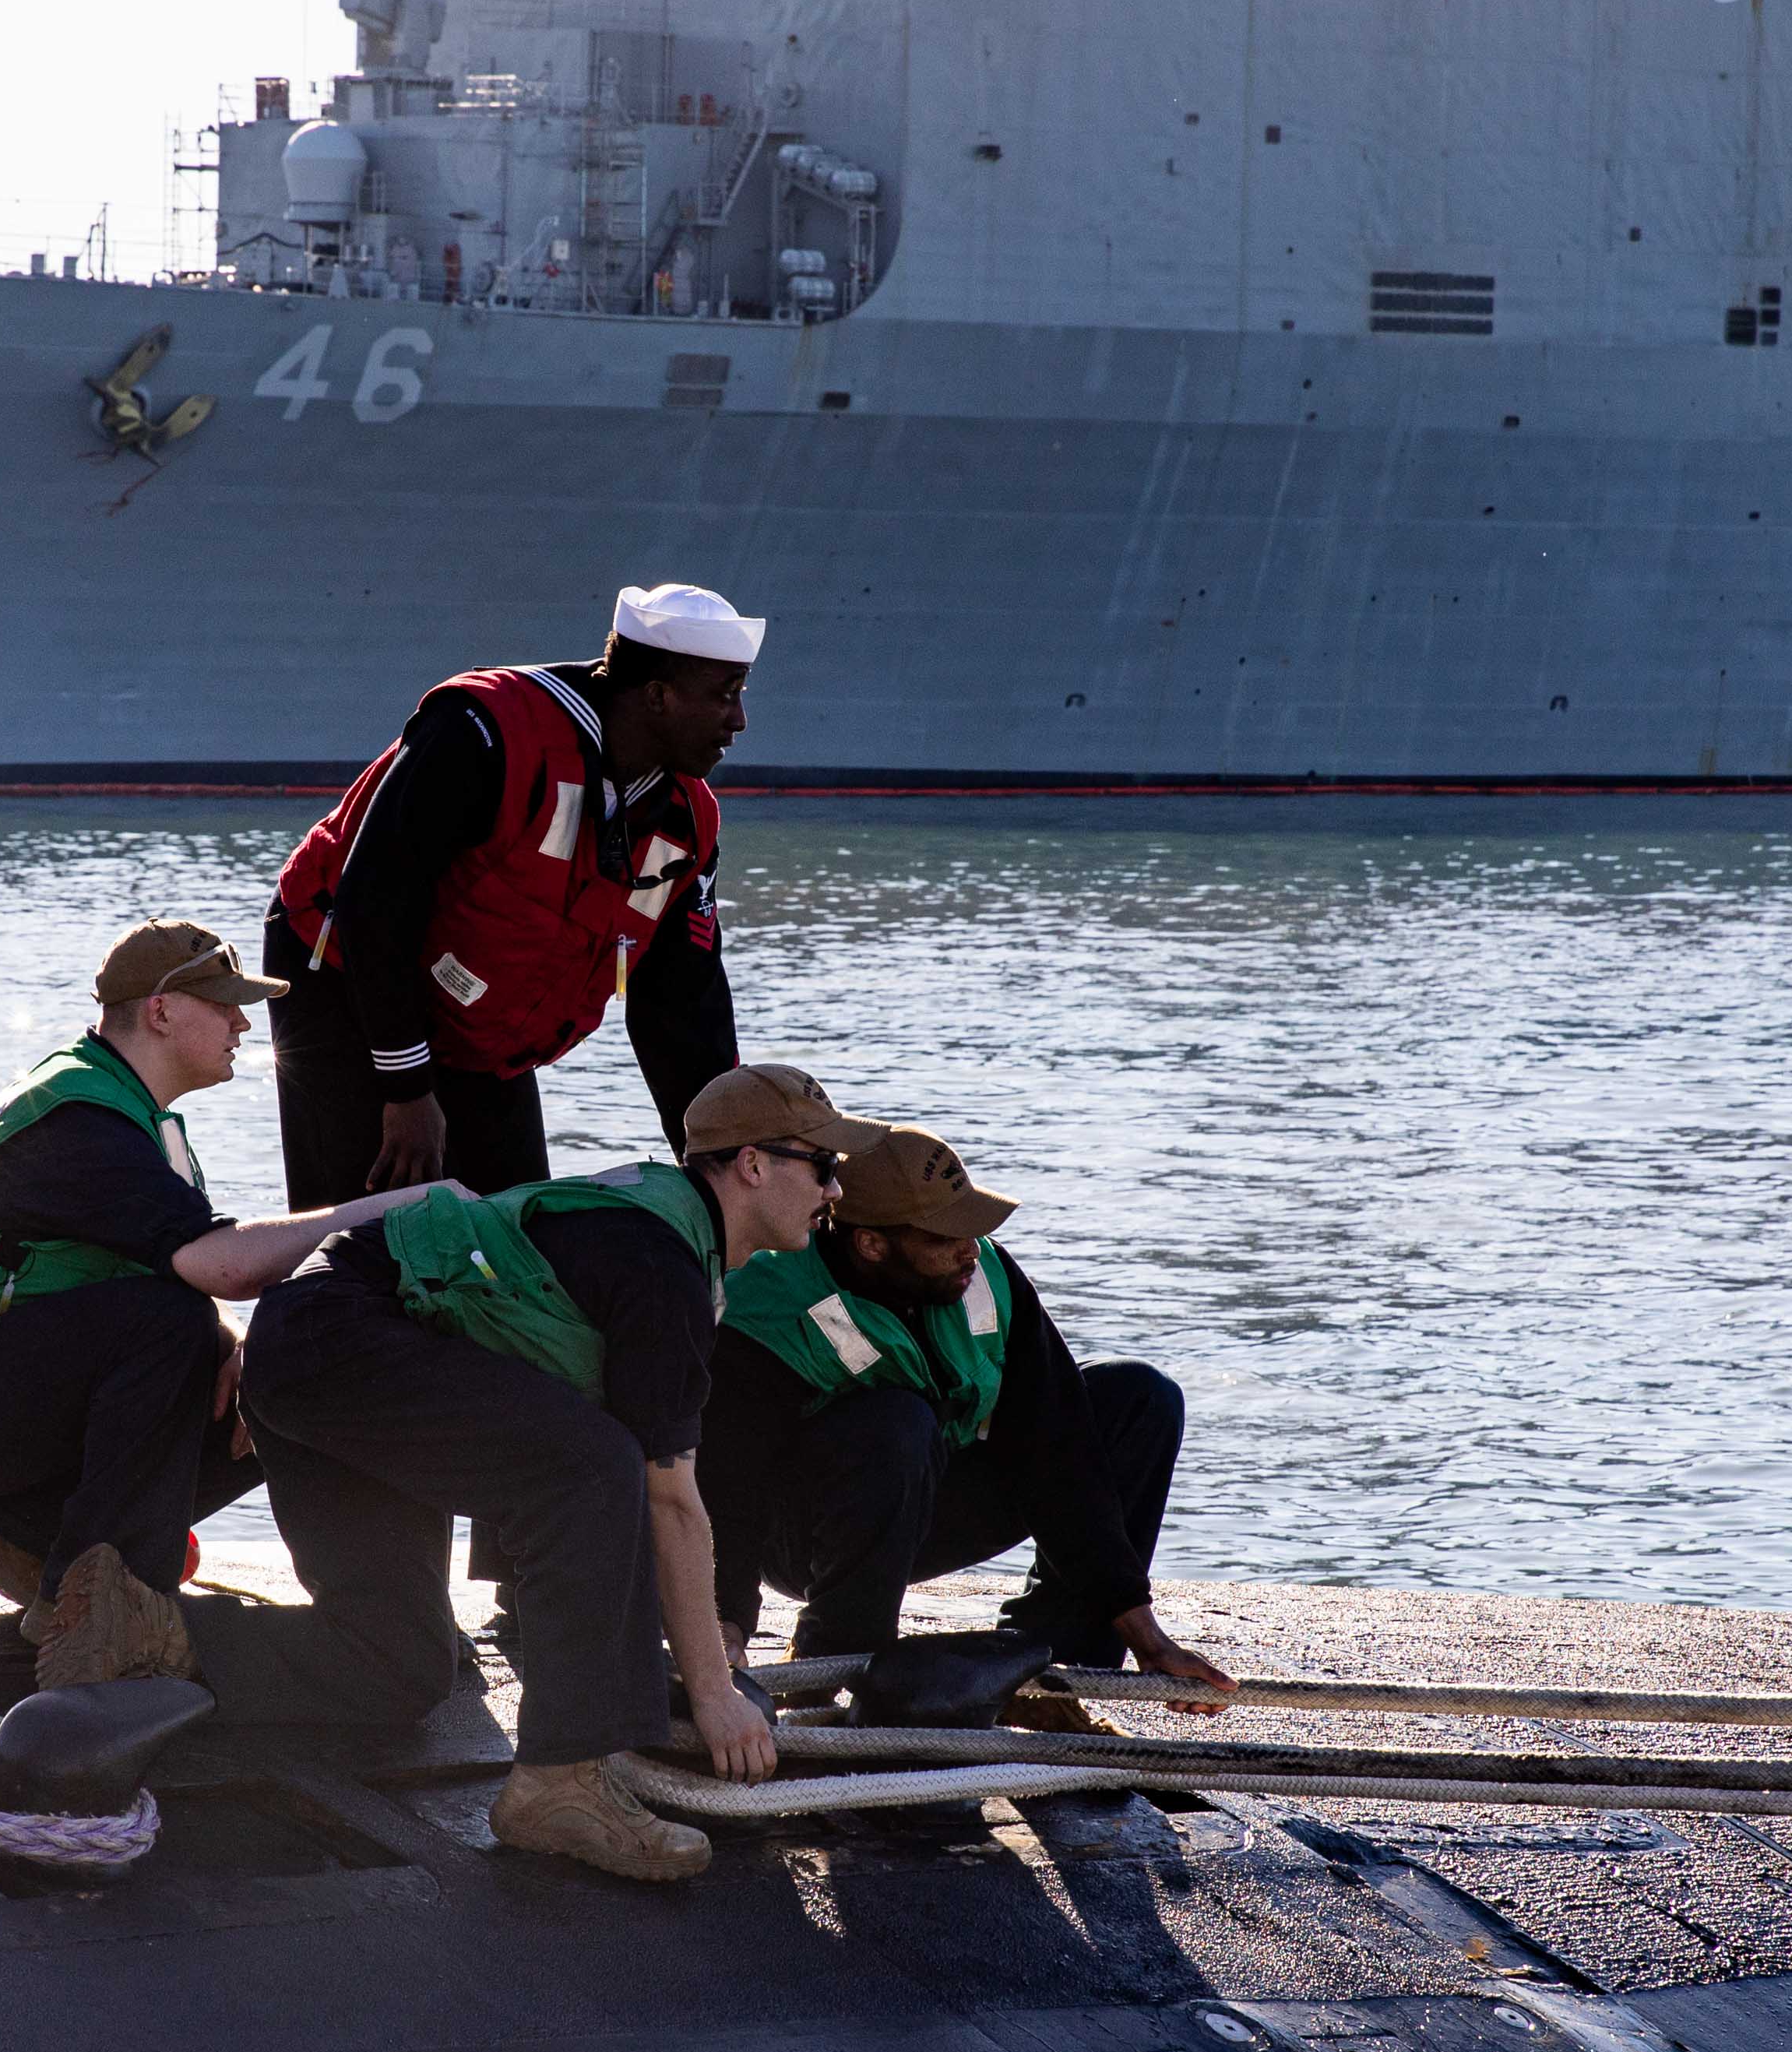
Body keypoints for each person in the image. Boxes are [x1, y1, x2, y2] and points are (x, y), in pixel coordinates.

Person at [114, 1064, 884, 1886]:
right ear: (753, 1165)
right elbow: (670, 1502)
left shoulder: (658, 1220)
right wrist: (716, 1692)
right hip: (339, 1341)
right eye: (823, 1166)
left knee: (400, 1664)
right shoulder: (662, 1265)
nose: (835, 1191)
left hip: (321, 1341)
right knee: (596, 1469)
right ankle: (562, 1781)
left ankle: (147, 1631)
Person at [0, 917, 451, 1635]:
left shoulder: (140, 1114)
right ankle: (102, 1605)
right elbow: (220, 1267)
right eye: (224, 1004)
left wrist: (244, 1349)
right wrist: (406, 1206)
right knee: (174, 1325)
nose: (243, 1024)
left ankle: (29, 1535)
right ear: (160, 1012)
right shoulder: (80, 1113)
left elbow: (191, 1276)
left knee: (273, 1369)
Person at [702, 1123, 1233, 1702]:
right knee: (898, 1423)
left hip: (925, 1494)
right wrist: (725, 1627)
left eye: (973, 1228)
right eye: (948, 1236)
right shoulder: (768, 1305)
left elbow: (1060, 1448)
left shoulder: (984, 1275)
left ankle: (1049, 1671)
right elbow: (728, 1485)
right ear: (872, 1245)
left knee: (1140, 1398)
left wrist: (1147, 1636)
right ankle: (834, 1662)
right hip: (805, 1531)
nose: (972, 1249)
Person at [264, 583, 755, 1206]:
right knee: (362, 1229)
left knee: (511, 1232)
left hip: (480, 1030)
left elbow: (683, 1008)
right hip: (340, 973)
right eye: (725, 695)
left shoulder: (689, 824)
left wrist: (723, 1167)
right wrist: (407, 1089)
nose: (739, 720)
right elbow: (375, 901)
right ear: (658, 697)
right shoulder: (487, 731)